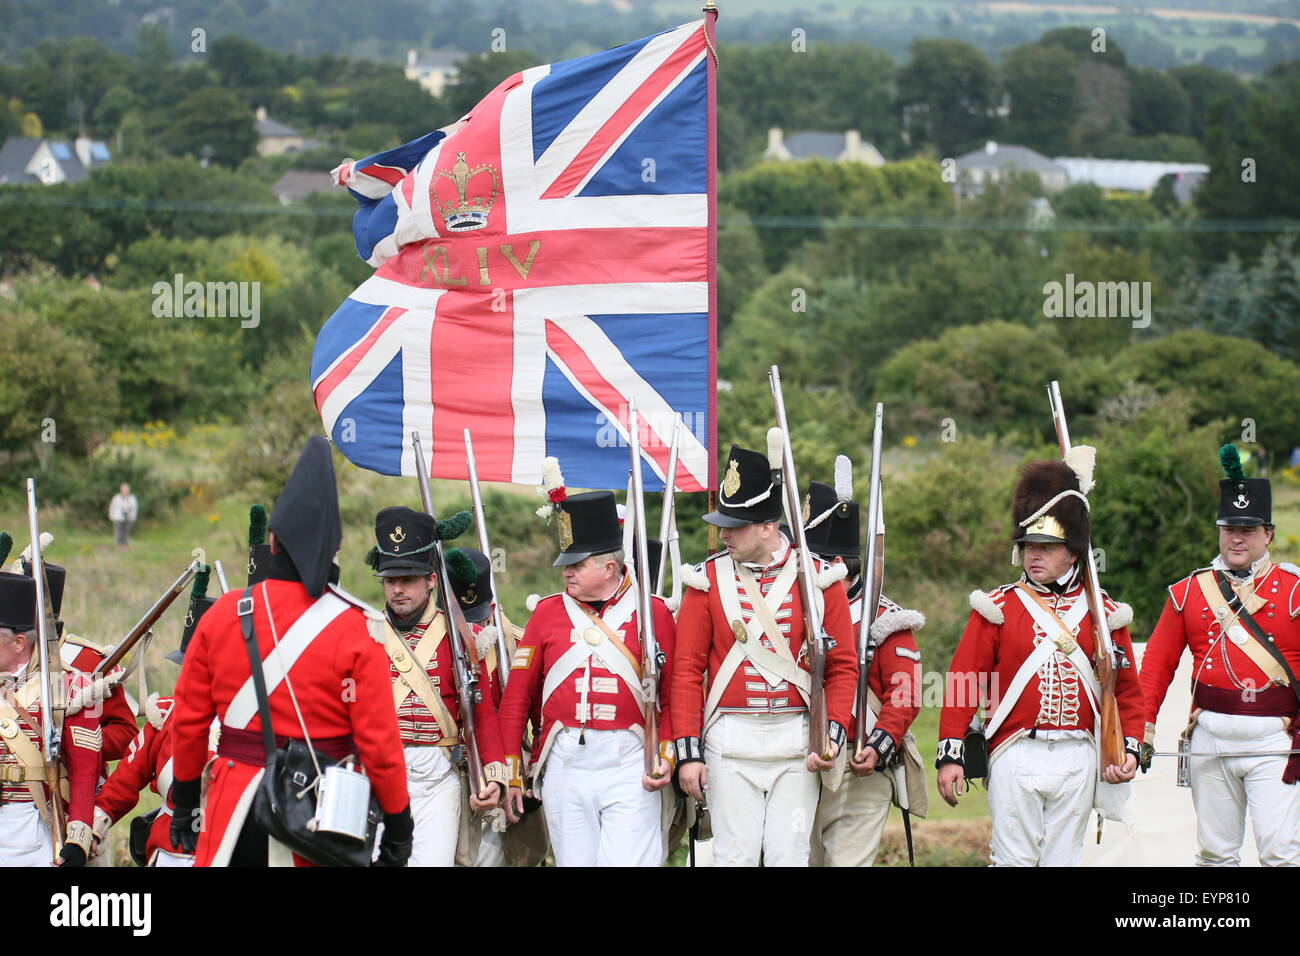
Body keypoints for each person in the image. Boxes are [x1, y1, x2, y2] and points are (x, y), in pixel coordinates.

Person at [168, 436, 413, 867]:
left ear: (274, 542)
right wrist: (398, 826)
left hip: (232, 809)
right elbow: (379, 746)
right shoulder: (359, 628)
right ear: (333, 550)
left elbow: (188, 724)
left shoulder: (225, 613)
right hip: (318, 811)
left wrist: (186, 802)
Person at [936, 455, 1144, 866]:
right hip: (1015, 750)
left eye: (1047, 548)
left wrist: (1131, 749)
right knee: (1012, 860)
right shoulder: (996, 607)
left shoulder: (1104, 613)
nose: (1035, 555)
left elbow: (1128, 692)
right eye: (1029, 546)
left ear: (1073, 553)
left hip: (1081, 754)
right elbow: (964, 681)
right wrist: (950, 753)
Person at [672, 443, 857, 867]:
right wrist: (689, 751)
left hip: (796, 742)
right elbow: (686, 671)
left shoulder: (820, 579)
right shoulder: (705, 580)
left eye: (735, 526)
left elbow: (842, 667)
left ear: (767, 527)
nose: (724, 535)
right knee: (732, 858)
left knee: (788, 856)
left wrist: (833, 731)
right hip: (729, 740)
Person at [1139, 444, 1300, 866]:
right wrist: (1142, 729)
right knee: (1214, 854)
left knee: (1281, 853)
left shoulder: (1295, 592)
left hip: (1277, 740)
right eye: (1229, 528)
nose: (1237, 538)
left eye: (1248, 529)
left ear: (1267, 534)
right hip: (1210, 735)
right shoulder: (1189, 591)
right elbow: (1156, 667)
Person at [500, 487, 676, 867]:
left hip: (630, 761)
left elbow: (676, 691)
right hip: (565, 763)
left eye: (577, 564)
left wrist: (668, 750)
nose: (566, 571)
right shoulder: (547, 613)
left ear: (609, 567)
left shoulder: (653, 612)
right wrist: (512, 768)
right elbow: (517, 697)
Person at [365, 507, 507, 867]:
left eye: (408, 580)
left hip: (439, 773)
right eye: (390, 580)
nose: (397, 589)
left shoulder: (461, 637)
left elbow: (482, 713)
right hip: (379, 770)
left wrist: (495, 775)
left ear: (430, 580)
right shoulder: (364, 633)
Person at [801, 464, 926, 867]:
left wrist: (877, 746)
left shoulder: (883, 617)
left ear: (837, 562)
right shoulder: (791, 608)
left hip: (859, 771)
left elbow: (904, 696)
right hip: (799, 766)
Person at [90, 568, 218, 867]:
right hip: (170, 851)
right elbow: (124, 781)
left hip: (226, 850)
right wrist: (93, 830)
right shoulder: (167, 714)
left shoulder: (252, 720)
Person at [0, 568, 99, 867]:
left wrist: (78, 839)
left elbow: (85, 771)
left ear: (18, 643)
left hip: (36, 826)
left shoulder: (69, 686)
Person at [108, 484, 138, 549]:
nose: (125, 491)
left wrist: (133, 517)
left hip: (129, 518)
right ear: (121, 490)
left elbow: (135, 508)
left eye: (127, 490)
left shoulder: (132, 498)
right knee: (118, 532)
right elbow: (112, 507)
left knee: (126, 532)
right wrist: (111, 515)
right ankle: (118, 545)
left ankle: (125, 545)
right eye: (124, 490)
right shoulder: (116, 497)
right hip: (118, 517)